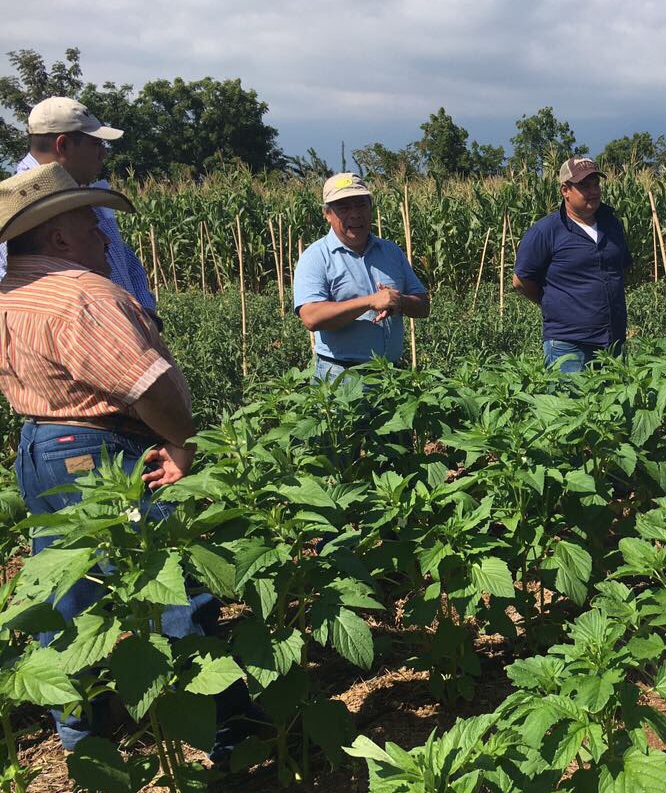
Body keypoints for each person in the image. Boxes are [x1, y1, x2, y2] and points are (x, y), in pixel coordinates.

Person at [0, 163, 254, 758]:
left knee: (67, 586)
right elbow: (150, 389)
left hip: (40, 447)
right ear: (58, 235)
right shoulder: (84, 295)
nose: (101, 231)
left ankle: (80, 731)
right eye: (88, 219)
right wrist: (183, 444)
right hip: (104, 448)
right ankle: (225, 730)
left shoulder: (10, 294)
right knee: (169, 580)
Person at [0, 96, 158, 318]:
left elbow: (124, 259)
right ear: (62, 145)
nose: (103, 154)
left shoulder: (80, 192)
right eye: (95, 144)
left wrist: (144, 312)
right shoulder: (20, 206)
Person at [293, 173, 430, 382]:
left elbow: (423, 306)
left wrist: (399, 302)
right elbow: (311, 316)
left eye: (361, 205)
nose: (355, 214)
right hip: (342, 377)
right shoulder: (316, 257)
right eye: (344, 208)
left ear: (370, 208)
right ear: (327, 214)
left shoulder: (391, 251)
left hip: (392, 375)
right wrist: (369, 302)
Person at [513, 157, 632, 372]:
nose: (593, 190)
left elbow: (619, 270)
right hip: (568, 346)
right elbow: (521, 281)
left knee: (612, 405)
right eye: (584, 186)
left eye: (596, 184)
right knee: (570, 405)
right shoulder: (546, 231)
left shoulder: (611, 224)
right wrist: (551, 302)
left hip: (612, 342)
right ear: (565, 190)